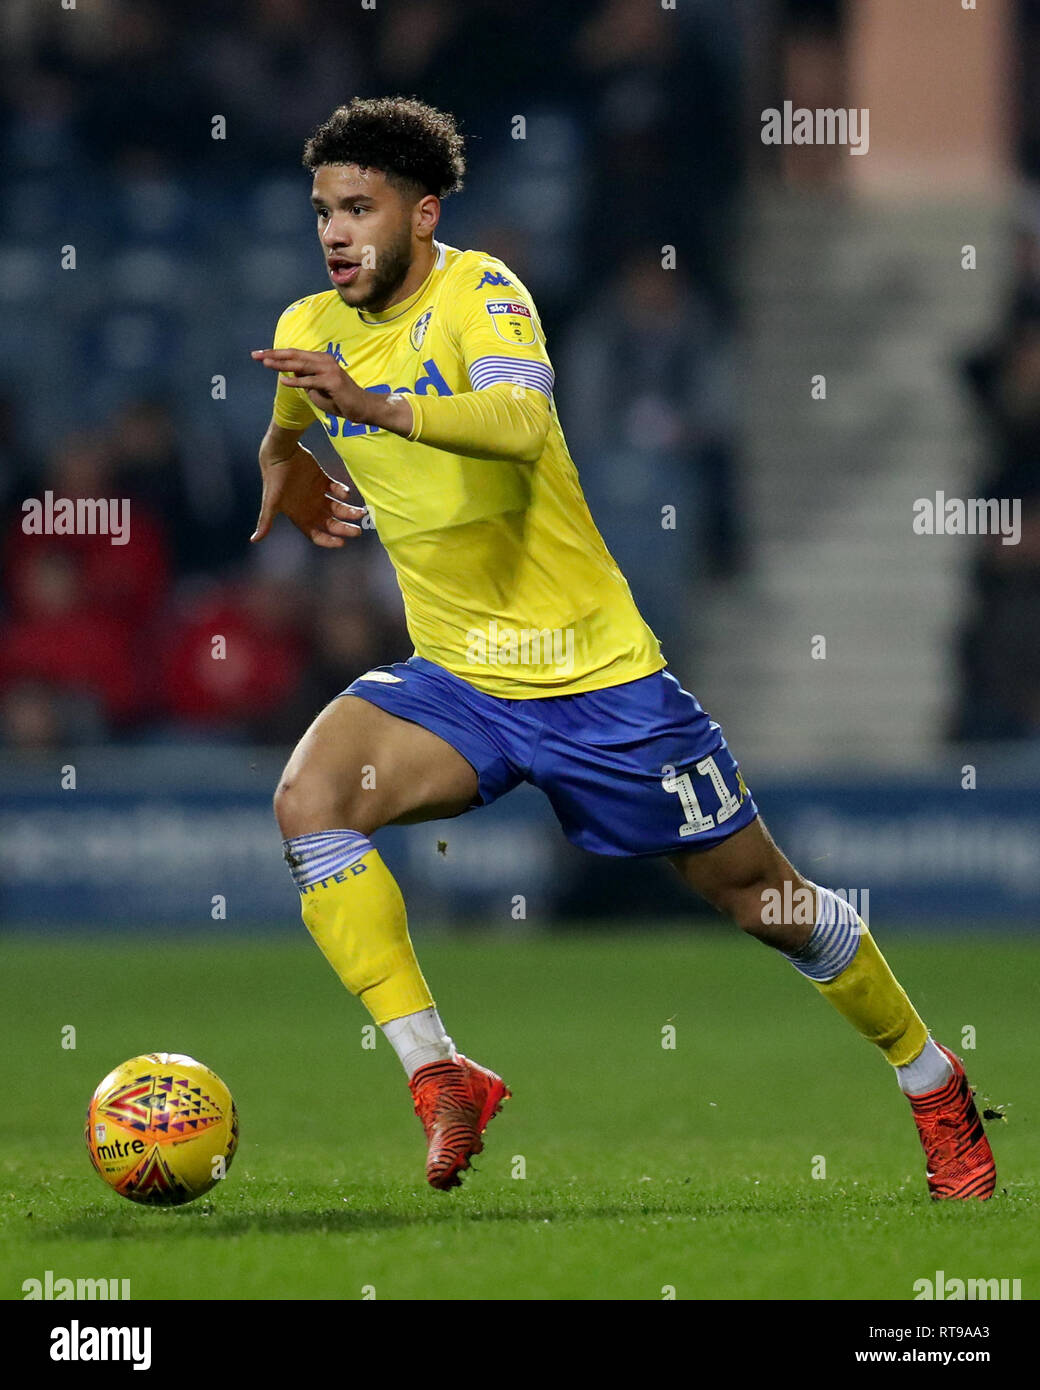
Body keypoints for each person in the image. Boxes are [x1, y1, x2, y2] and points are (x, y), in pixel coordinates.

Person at [251, 96, 995, 1198]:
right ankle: (437, 1073)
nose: (336, 231)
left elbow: (518, 426)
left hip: (598, 682)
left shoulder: (481, 292)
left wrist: (380, 408)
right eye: (323, 209)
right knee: (311, 801)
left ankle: (932, 1081)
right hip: (458, 680)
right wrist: (284, 454)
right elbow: (293, 409)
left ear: (423, 211)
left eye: (359, 208)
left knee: (763, 901)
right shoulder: (311, 321)